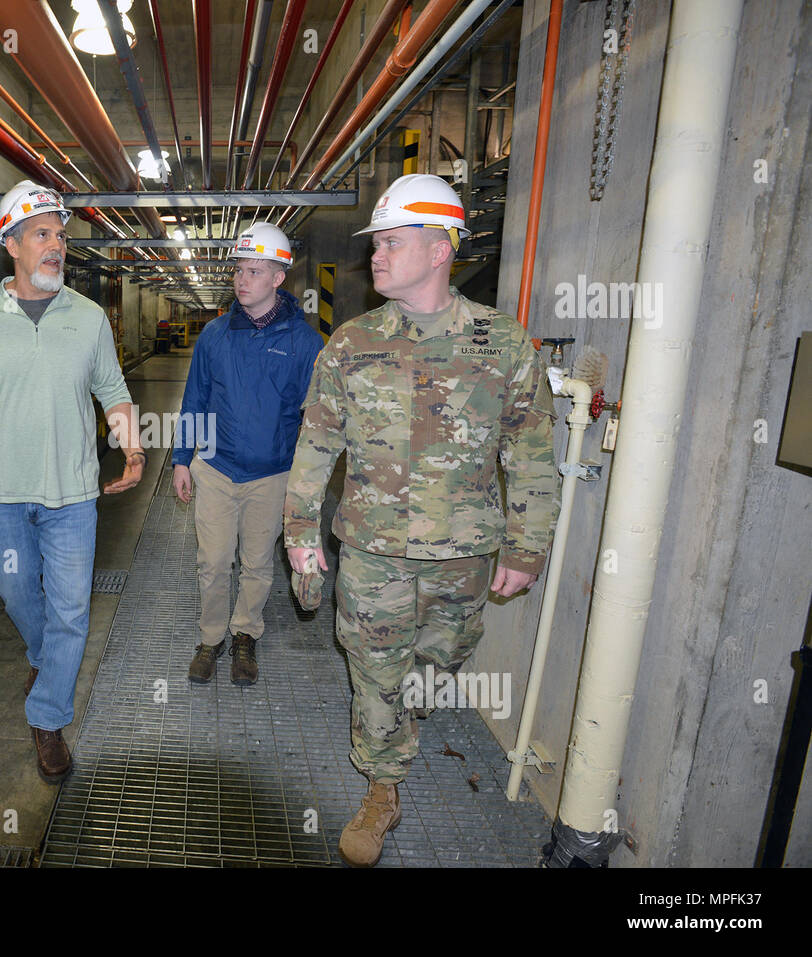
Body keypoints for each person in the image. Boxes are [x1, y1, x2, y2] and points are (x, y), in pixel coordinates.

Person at [283, 174, 559, 867]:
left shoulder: (502, 345)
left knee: (436, 666)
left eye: (391, 242)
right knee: (375, 670)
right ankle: (383, 786)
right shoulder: (350, 345)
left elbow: (530, 455)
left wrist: (528, 546)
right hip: (373, 552)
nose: (375, 254)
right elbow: (315, 448)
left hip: (464, 557)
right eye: (374, 243)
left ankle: (403, 723)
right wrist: (299, 535)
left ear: (440, 251)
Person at [0, 180, 145, 784]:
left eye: (61, 235)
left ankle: (48, 717)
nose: (56, 246)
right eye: (42, 235)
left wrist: (132, 445)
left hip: (74, 495)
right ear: (12, 246)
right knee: (18, 594)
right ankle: (42, 658)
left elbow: (113, 390)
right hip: (1, 493)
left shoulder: (89, 317)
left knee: (72, 611)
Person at [173, 222, 323, 686]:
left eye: (254, 271)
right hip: (216, 469)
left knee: (258, 564)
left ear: (279, 277)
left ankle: (245, 635)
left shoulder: (306, 344)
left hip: (272, 475)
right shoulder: (215, 336)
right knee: (213, 561)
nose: (242, 280)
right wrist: (181, 459)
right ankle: (211, 637)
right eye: (239, 270)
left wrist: (305, 485)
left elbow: (315, 422)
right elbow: (195, 398)